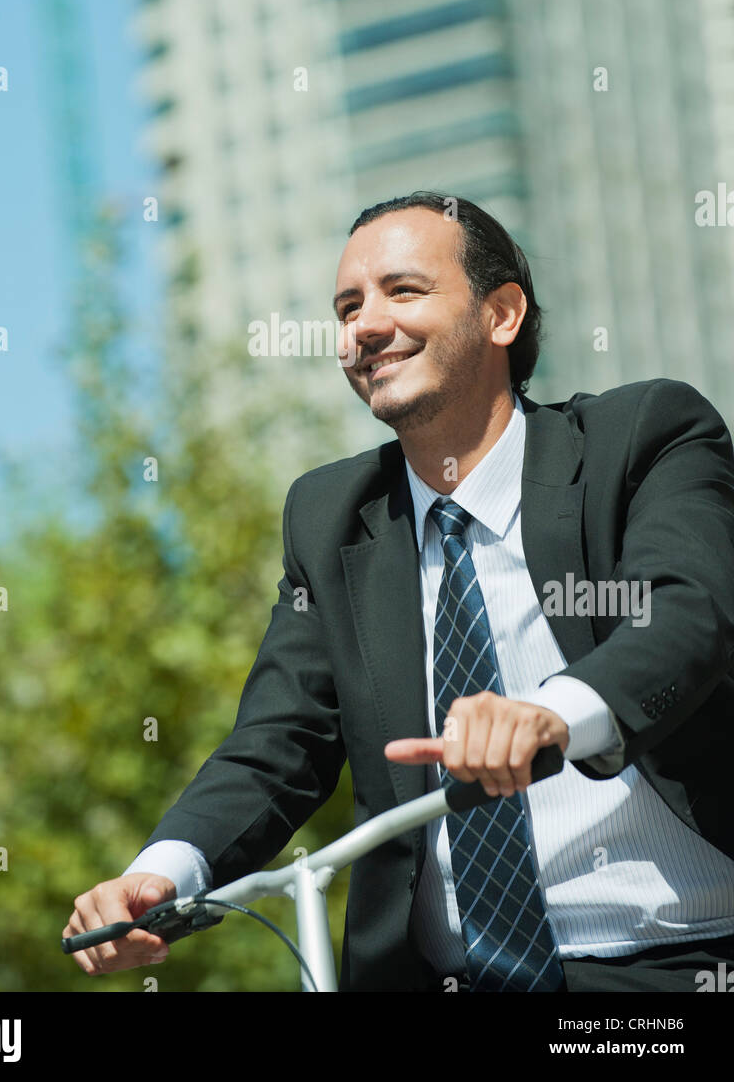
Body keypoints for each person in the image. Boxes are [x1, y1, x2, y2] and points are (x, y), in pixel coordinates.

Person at [64, 192, 734, 991]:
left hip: (671, 966)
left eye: (403, 291)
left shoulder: (645, 436)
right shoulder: (329, 517)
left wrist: (552, 714)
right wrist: (162, 872)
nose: (366, 326)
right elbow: (280, 741)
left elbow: (686, 615)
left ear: (503, 315)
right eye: (348, 307)